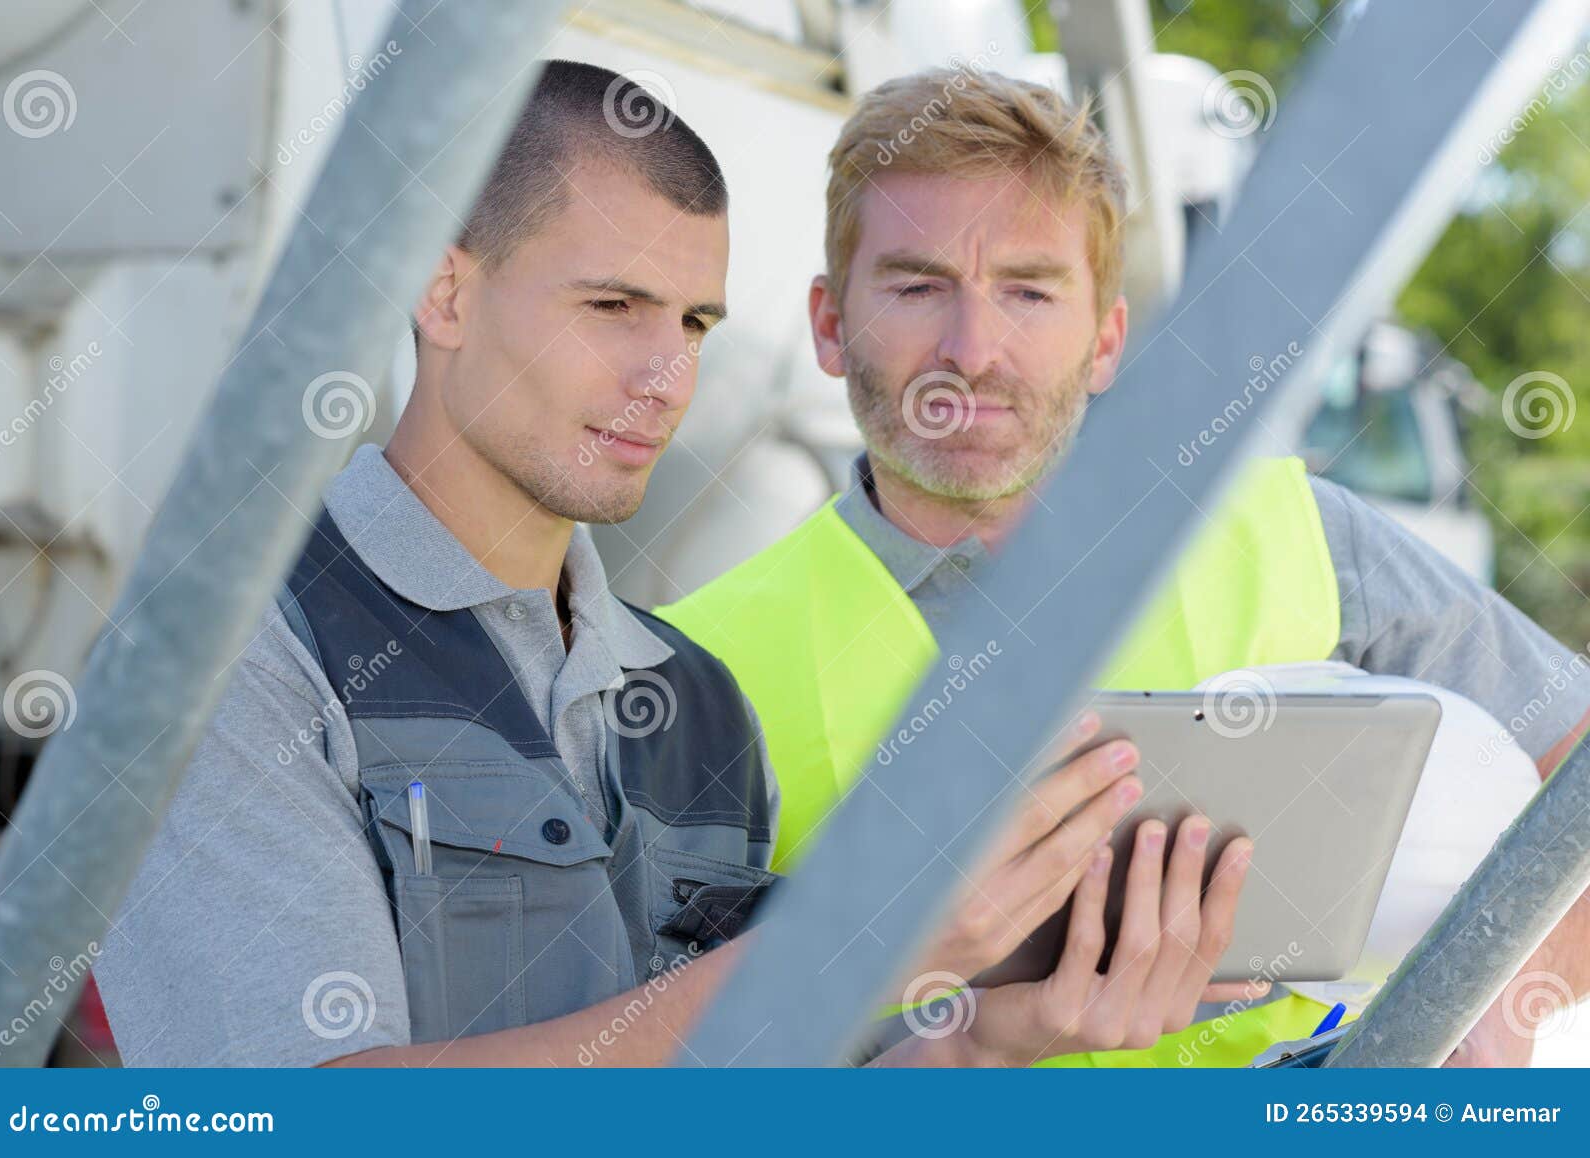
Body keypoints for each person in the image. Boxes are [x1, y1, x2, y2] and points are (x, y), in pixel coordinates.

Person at [93, 61, 1252, 1068]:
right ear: (442, 291)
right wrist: (849, 942)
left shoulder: (694, 701)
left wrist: (986, 1036)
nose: (665, 377)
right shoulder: (218, 658)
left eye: (693, 323)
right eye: (613, 306)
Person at [658, 66, 1590, 1067]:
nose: (972, 350)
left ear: (1105, 339)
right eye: (919, 287)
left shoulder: (1302, 537)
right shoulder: (689, 673)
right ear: (832, 326)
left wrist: (1480, 1019)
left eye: (1027, 290)